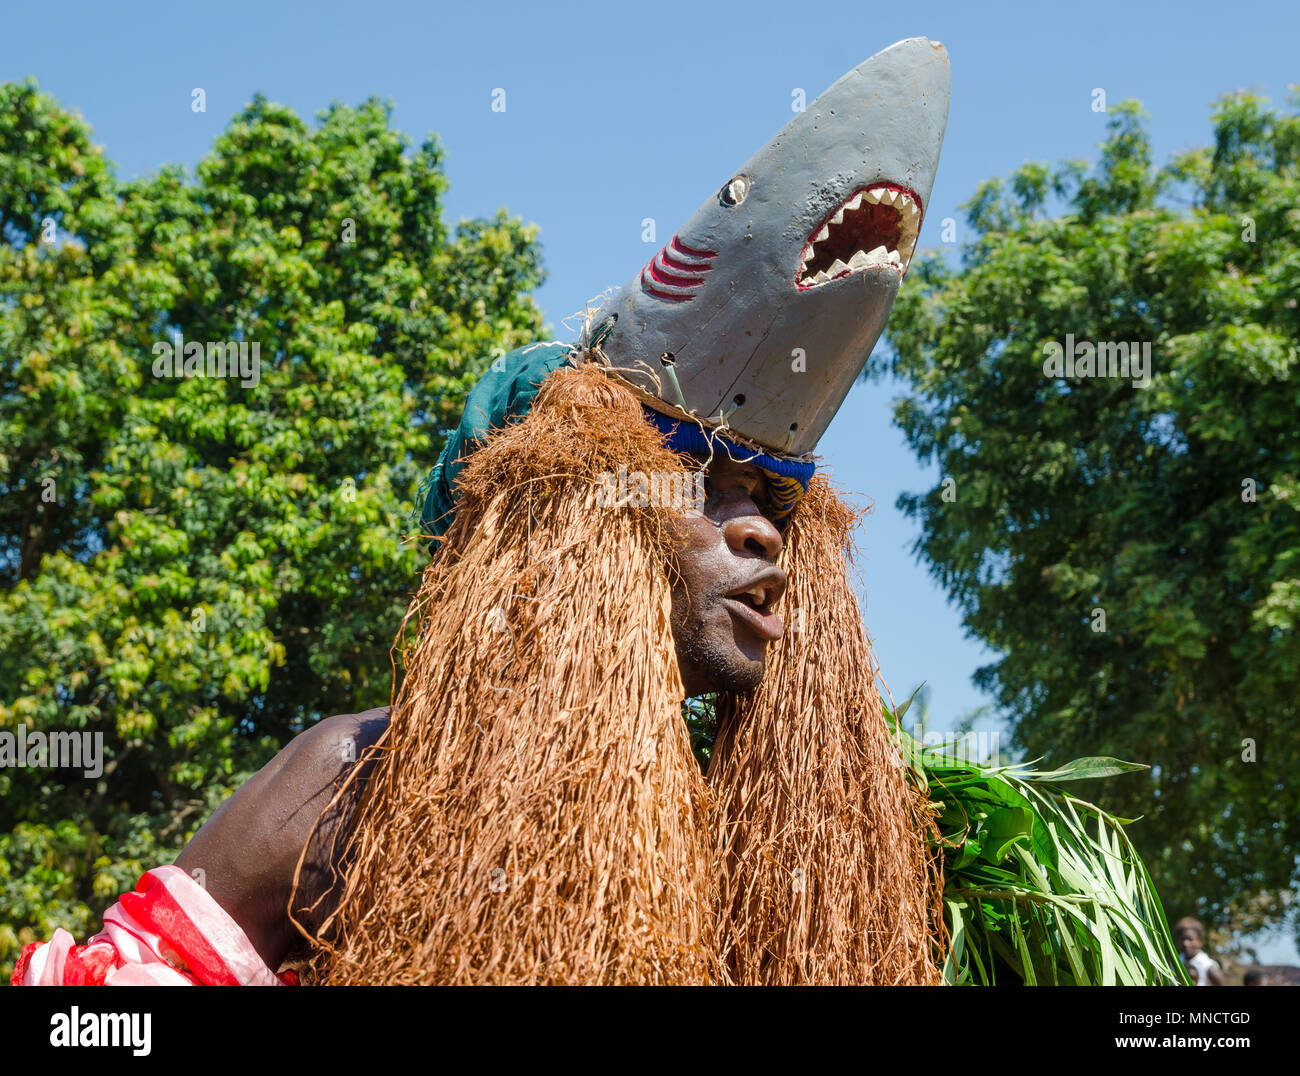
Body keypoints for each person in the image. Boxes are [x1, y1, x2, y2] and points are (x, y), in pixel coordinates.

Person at [13, 37, 954, 985]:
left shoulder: (775, 856)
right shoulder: (359, 783)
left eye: (768, 503)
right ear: (560, 532)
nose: (760, 534)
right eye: (697, 481)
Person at [1174, 916, 1227, 986]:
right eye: (1182, 939)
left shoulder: (1208, 966)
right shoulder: (1174, 963)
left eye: (1190, 939)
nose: (1185, 943)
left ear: (1200, 941)